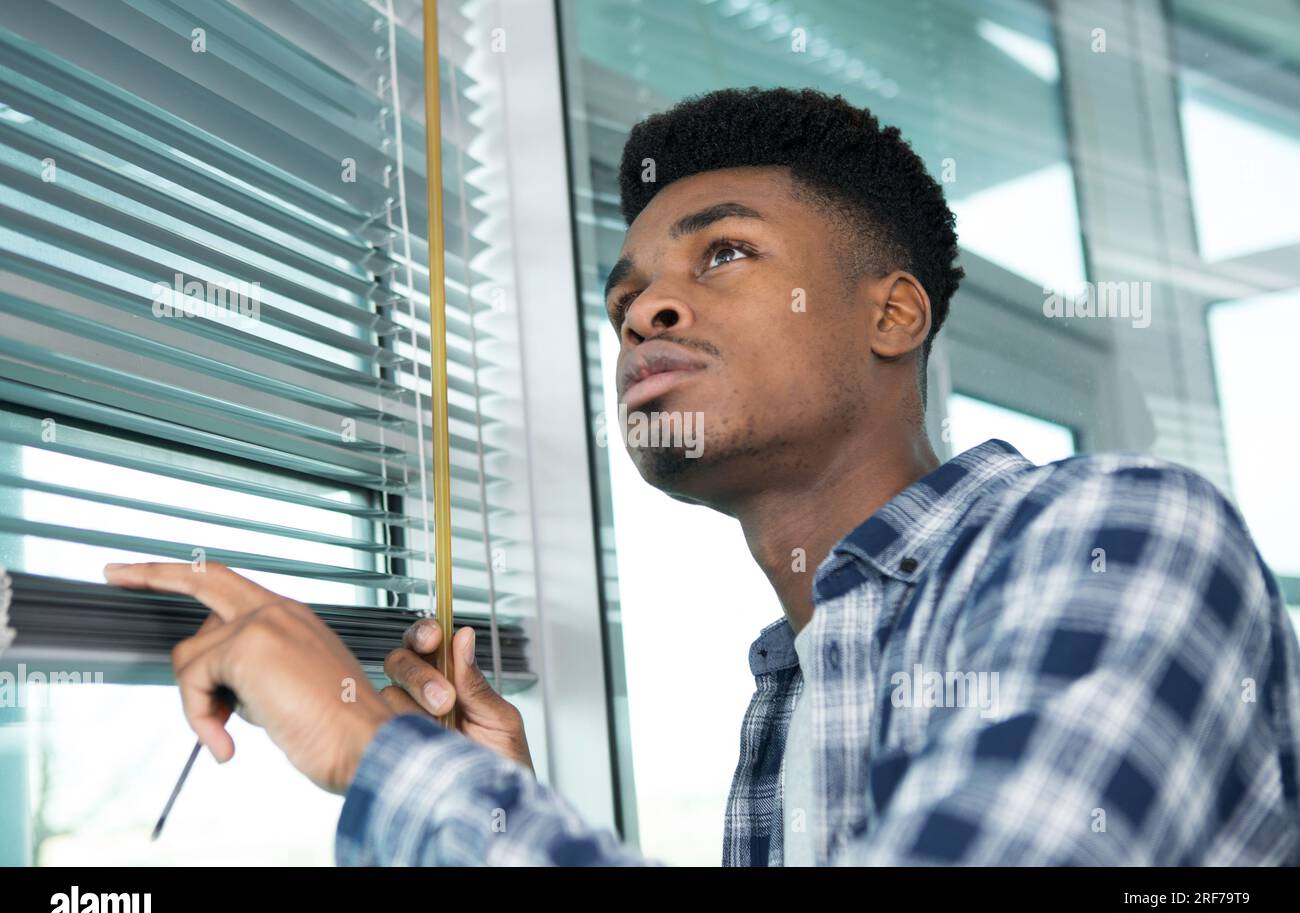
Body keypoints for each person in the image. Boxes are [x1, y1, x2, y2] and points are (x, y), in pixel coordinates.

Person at [105, 87, 1300, 866]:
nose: (644, 313)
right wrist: (488, 804)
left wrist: (377, 752)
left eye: (723, 254)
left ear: (892, 314)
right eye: (623, 301)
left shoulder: (1120, 535)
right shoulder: (790, 693)